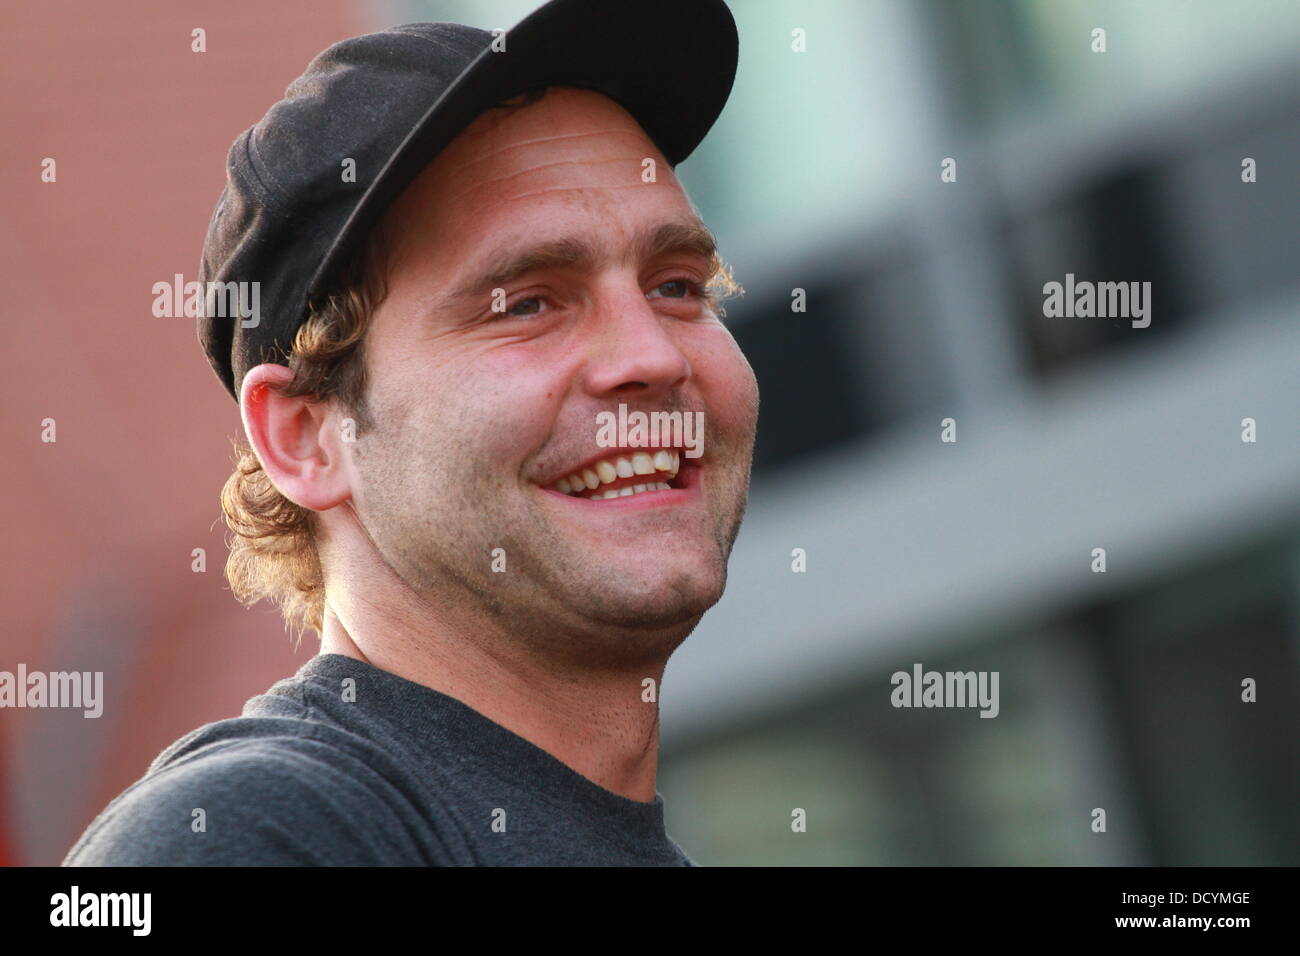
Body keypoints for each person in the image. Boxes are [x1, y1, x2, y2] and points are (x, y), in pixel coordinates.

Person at [64, 0, 757, 866]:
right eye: (528, 302)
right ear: (305, 439)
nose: (650, 355)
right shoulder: (252, 839)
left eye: (677, 285)